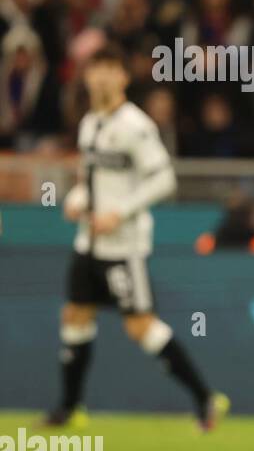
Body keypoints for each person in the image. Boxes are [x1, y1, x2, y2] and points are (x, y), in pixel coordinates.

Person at [44, 46, 230, 431]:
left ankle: (205, 399)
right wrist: (79, 199)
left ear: (123, 78)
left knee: (140, 326)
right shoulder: (90, 123)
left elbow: (164, 179)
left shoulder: (136, 125)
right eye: (96, 70)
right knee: (75, 316)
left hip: (123, 247)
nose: (101, 77)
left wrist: (120, 211)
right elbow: (89, 178)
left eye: (110, 69)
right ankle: (69, 407)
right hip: (88, 243)